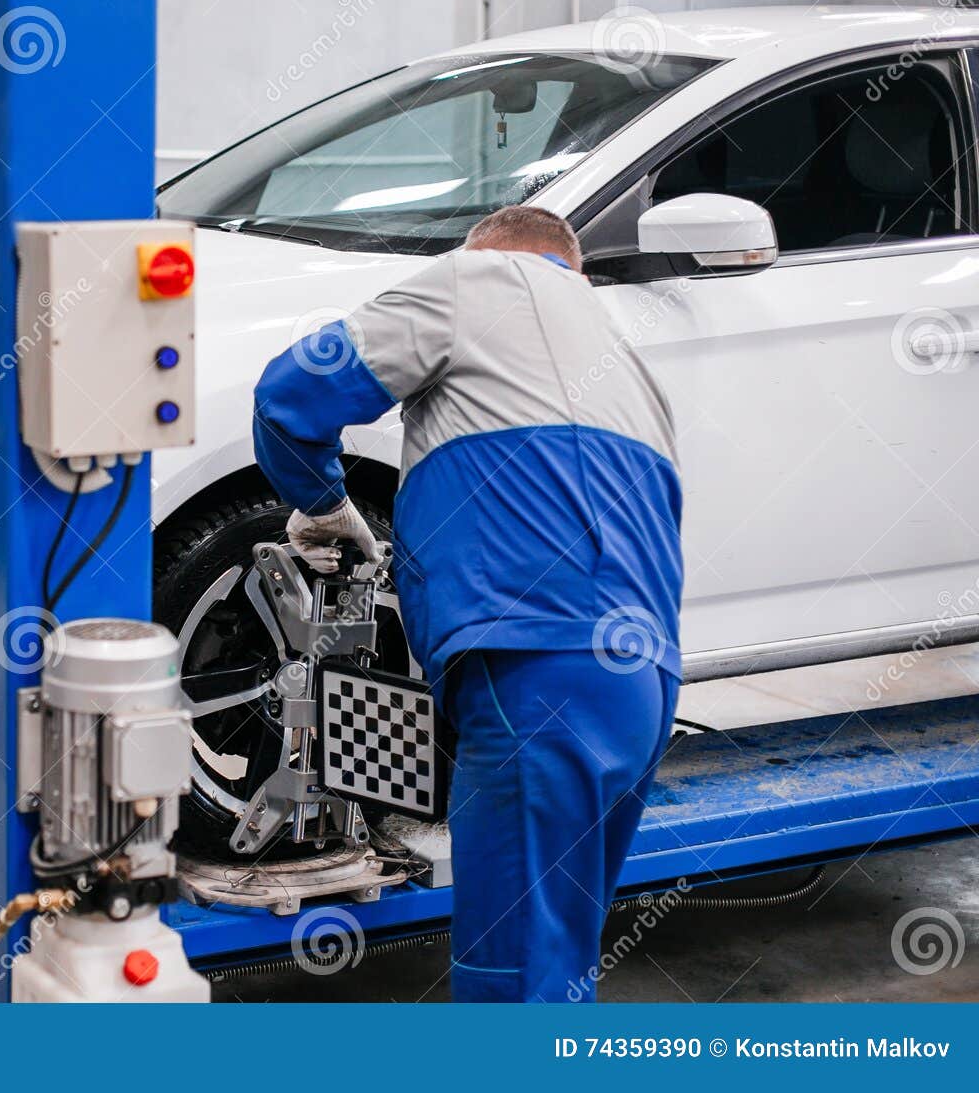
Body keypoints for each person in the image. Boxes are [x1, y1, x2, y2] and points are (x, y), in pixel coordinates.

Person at [251, 205, 683, 1002]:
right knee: (554, 966)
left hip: (539, 677)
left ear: (490, 251)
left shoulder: (477, 276)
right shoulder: (630, 364)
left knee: (509, 986)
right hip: (642, 691)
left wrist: (320, 500)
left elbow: (287, 397)